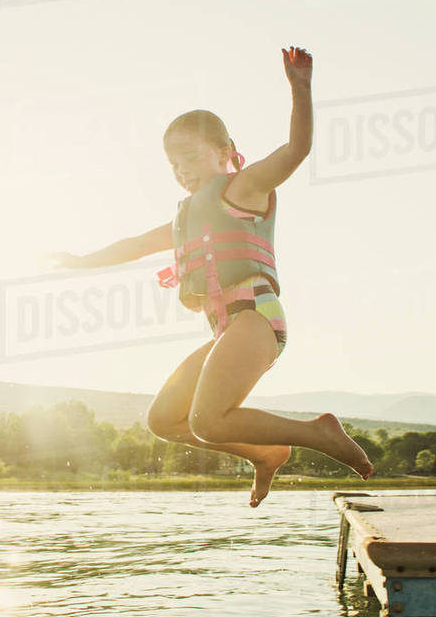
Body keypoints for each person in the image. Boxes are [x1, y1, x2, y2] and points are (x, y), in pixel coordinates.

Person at [46, 47, 373, 506]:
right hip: (228, 329)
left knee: (207, 421)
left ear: (224, 153)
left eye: (189, 157)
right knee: (164, 421)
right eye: (173, 165)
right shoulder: (189, 221)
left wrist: (301, 88)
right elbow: (134, 244)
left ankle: (317, 432)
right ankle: (264, 453)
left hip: (257, 316)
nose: (181, 170)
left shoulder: (244, 188)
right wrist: (80, 260)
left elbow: (296, 150)